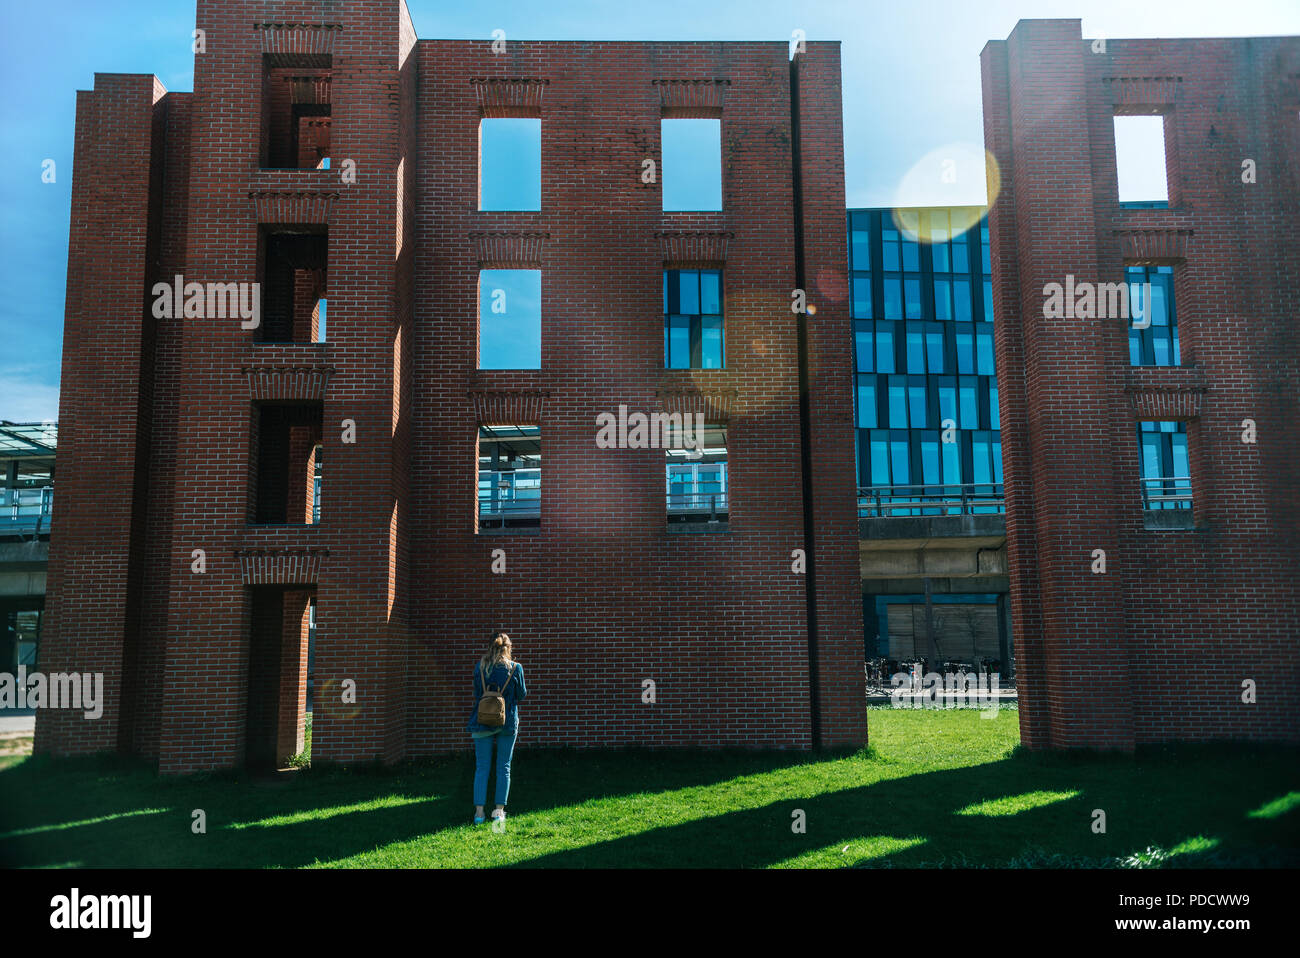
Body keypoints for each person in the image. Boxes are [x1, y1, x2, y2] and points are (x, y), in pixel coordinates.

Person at [466, 631, 527, 825]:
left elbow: (477, 693)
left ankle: (479, 814)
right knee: (504, 767)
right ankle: (499, 813)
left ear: (490, 647)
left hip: (482, 720)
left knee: (482, 768)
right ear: (508, 648)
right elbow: (521, 695)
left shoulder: (480, 667)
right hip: (507, 722)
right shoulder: (516, 668)